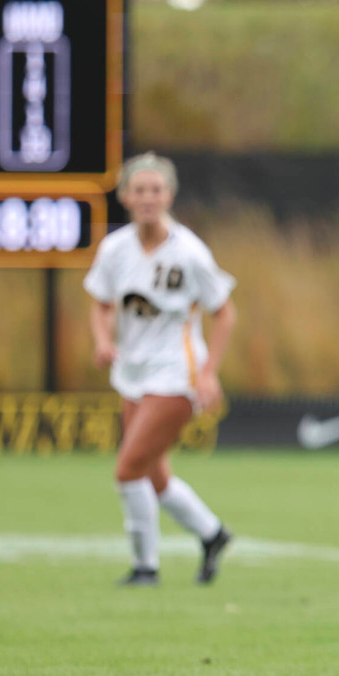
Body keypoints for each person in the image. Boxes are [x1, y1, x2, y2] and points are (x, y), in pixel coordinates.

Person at [84, 153, 238, 587]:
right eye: (139, 190)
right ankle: (212, 534)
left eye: (156, 190)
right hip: (133, 373)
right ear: (125, 196)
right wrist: (103, 341)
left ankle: (145, 567)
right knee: (154, 474)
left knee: (128, 469)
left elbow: (225, 313)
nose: (148, 198)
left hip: (176, 375)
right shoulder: (115, 249)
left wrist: (209, 373)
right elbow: (100, 304)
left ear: (169, 196)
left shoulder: (189, 252)